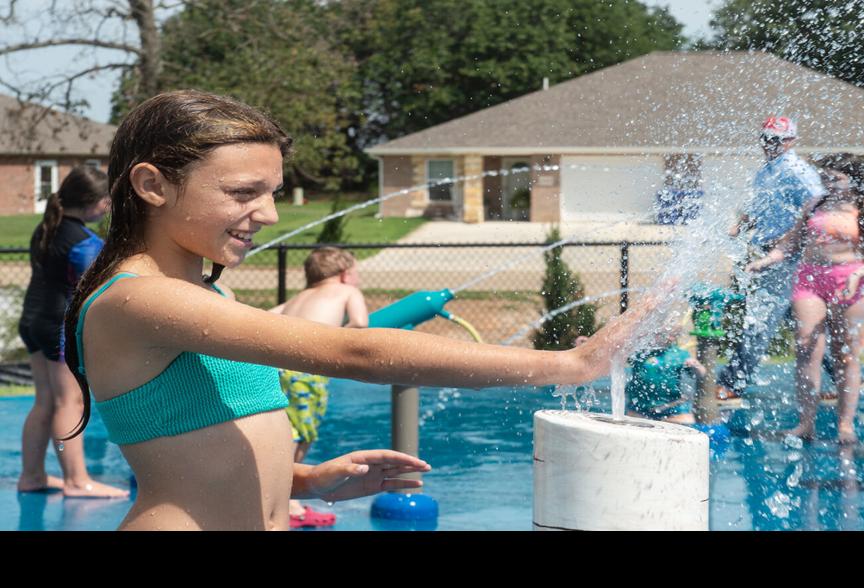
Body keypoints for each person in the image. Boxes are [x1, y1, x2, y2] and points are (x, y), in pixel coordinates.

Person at [62, 89, 671, 530]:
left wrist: (301, 478)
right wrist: (573, 363)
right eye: (243, 192)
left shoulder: (200, 293)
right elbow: (358, 350)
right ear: (152, 185)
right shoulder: (138, 298)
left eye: (271, 193)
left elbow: (188, 438)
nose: (270, 214)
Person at [748, 153, 864, 444]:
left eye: (834, 177)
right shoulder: (814, 204)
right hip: (810, 277)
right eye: (824, 176)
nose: (827, 182)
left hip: (848, 279)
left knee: (845, 353)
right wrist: (766, 260)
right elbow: (791, 242)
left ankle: (845, 425)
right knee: (805, 346)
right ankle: (806, 423)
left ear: (851, 179)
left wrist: (859, 272)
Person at [15, 164, 129, 499]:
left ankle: (32, 476)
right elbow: (96, 289)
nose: (108, 206)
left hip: (33, 320)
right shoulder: (83, 242)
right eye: (107, 200)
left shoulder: (47, 227)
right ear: (92, 202)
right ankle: (77, 480)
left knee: (45, 401)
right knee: (71, 401)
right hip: (58, 328)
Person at [721, 116, 824, 406]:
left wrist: (789, 241)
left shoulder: (797, 170)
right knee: (798, 319)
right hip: (770, 253)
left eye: (777, 139)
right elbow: (758, 206)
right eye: (765, 138)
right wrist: (738, 226)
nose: (770, 144)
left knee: (761, 318)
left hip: (788, 255)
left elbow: (817, 208)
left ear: (791, 141)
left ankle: (732, 383)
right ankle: (839, 374)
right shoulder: (767, 171)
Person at [266, 245, 369, 527]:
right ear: (346, 274)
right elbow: (360, 323)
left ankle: (283, 493)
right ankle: (286, 499)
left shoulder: (299, 297)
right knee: (301, 434)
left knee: (291, 429)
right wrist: (327, 348)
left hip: (280, 369)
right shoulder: (347, 291)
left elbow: (264, 318)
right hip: (308, 372)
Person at [624, 337, 705, 425]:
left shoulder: (680, 354)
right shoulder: (640, 351)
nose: (667, 336)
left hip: (672, 406)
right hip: (640, 407)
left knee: (688, 424)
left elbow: (701, 373)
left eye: (672, 334)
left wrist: (696, 366)